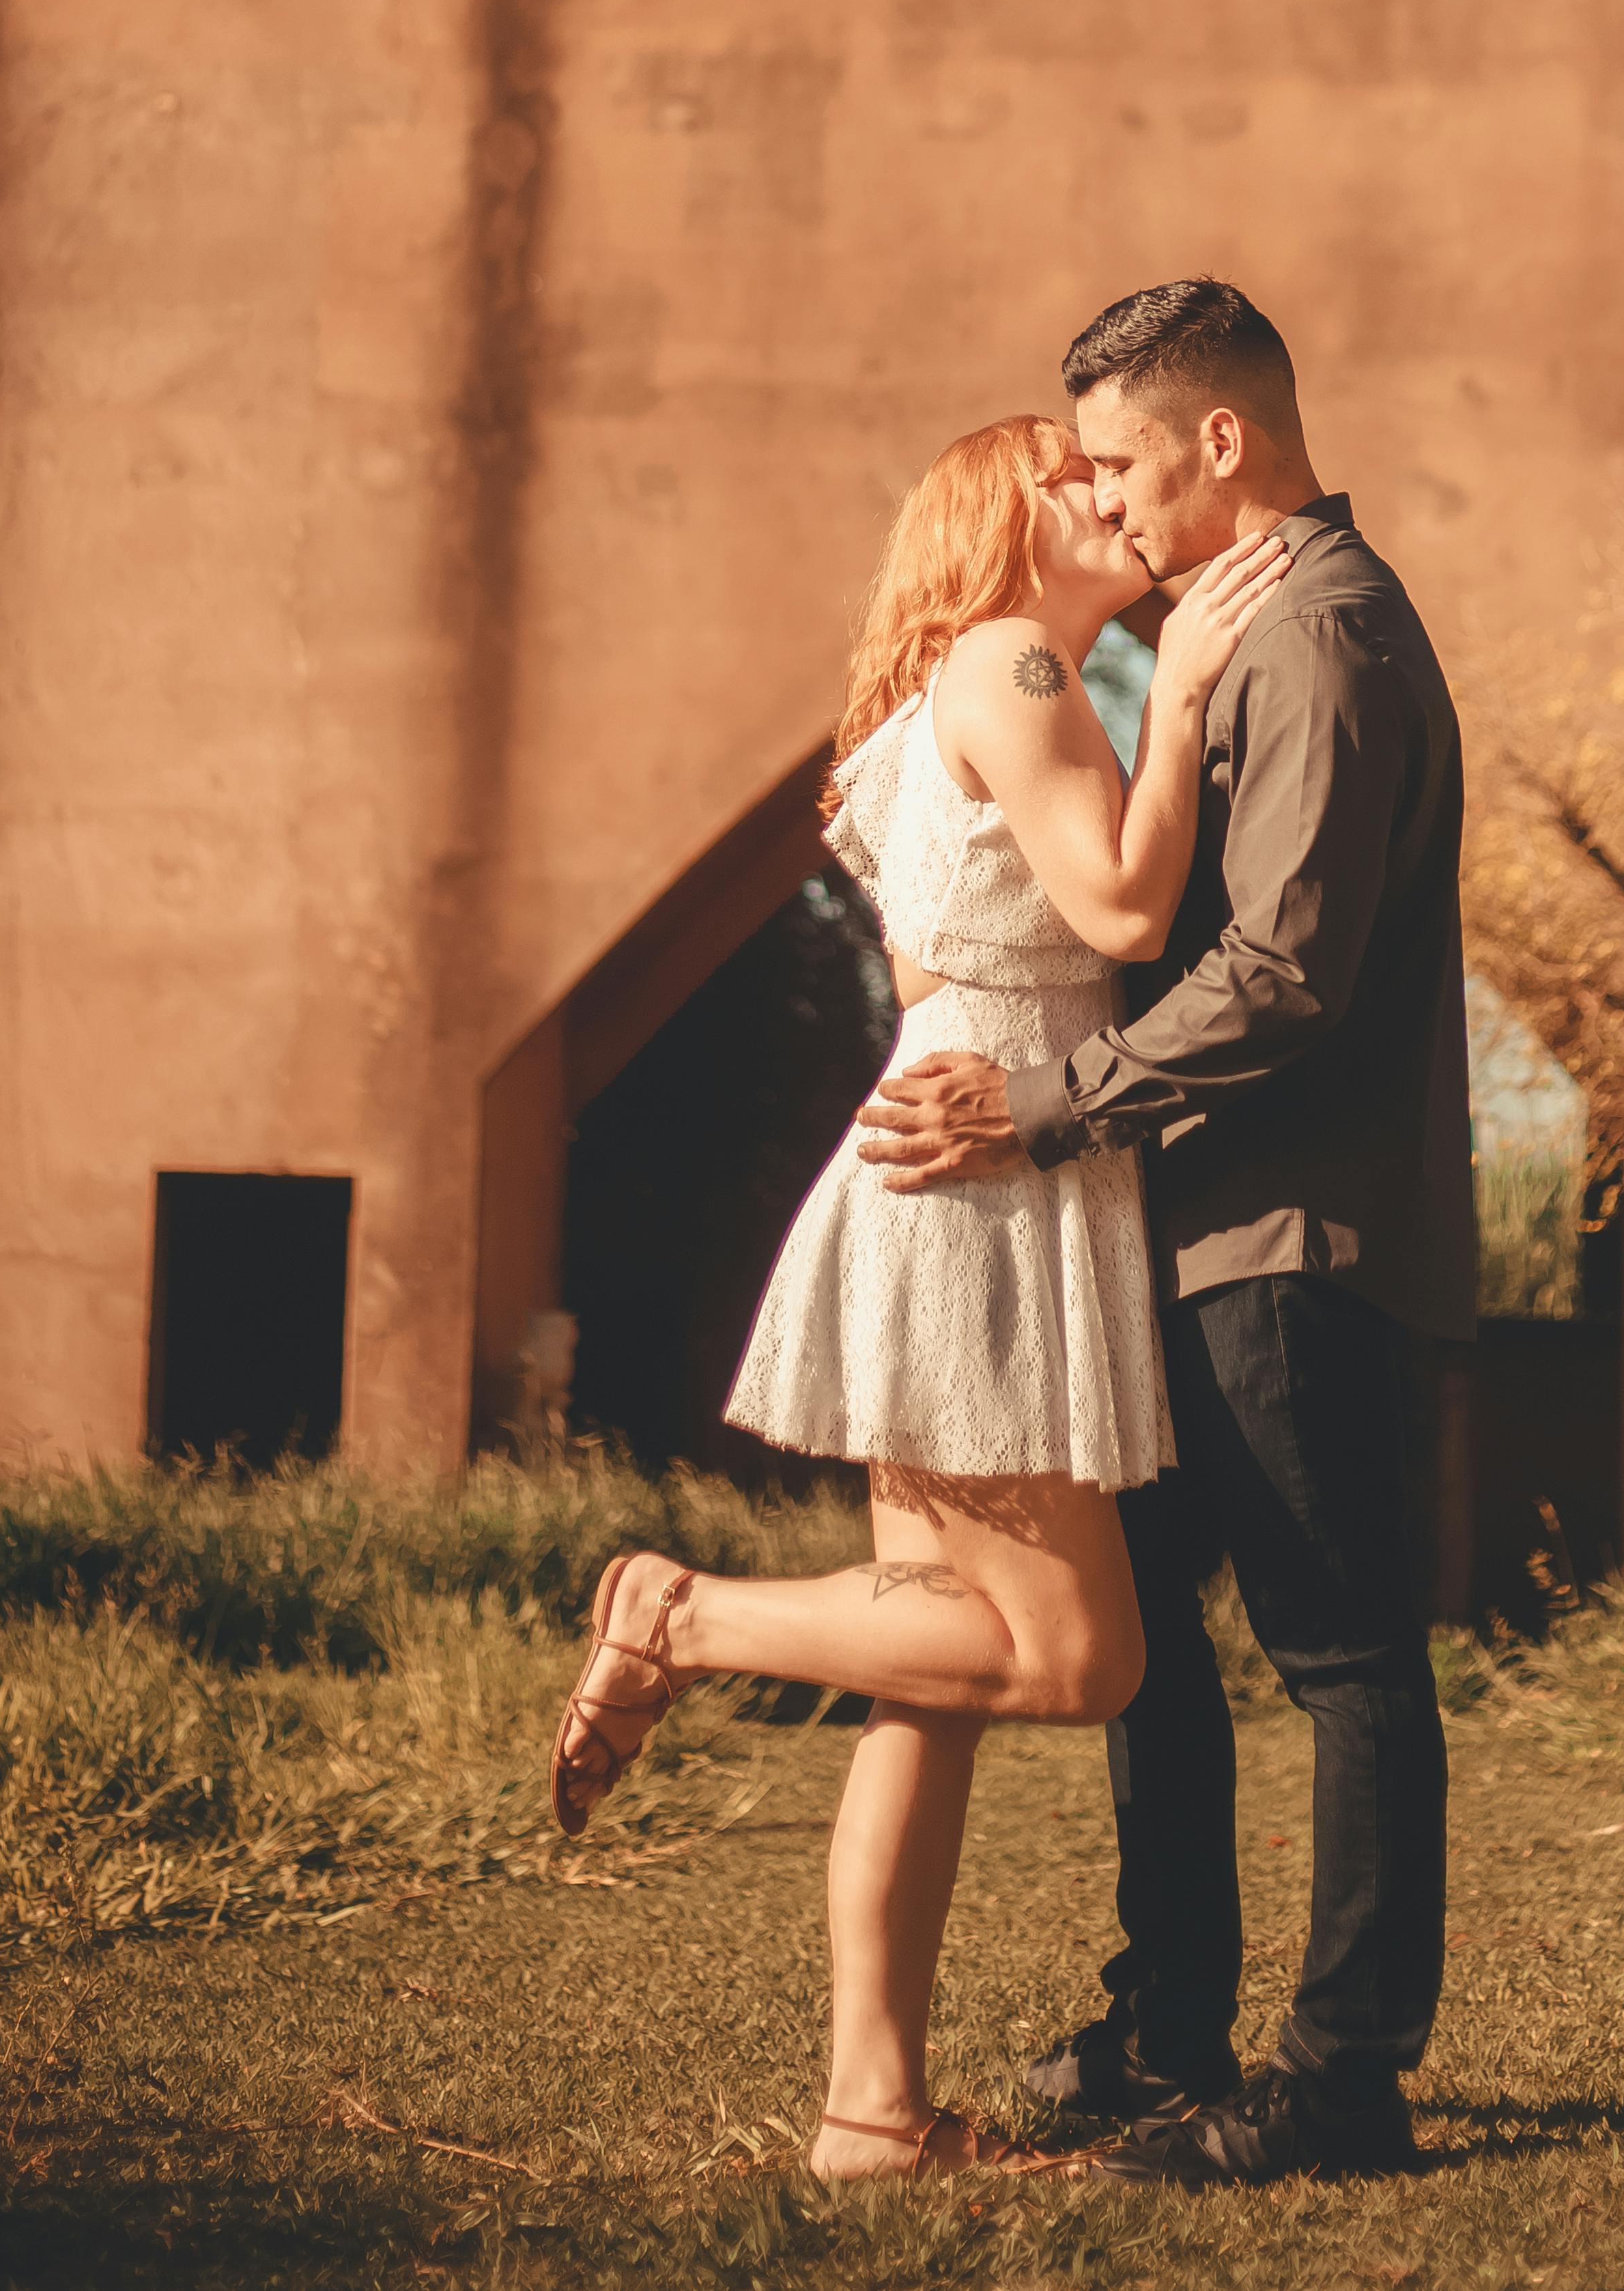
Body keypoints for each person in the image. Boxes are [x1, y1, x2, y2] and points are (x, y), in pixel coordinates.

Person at [545, 412, 1287, 2182]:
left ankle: (868, 2113)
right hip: (987, 1185)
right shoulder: (1020, 654)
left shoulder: (926, 701)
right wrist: (1181, 690)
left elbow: (946, 968)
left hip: (964, 1159)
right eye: (1072, 471)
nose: (1109, 492)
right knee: (1083, 1652)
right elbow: (1115, 909)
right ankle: (682, 1614)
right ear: (997, 516)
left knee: (932, 1681)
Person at [857, 281, 1477, 2189]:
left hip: (1296, 1227)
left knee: (1342, 1650)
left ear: (1222, 439)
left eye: (1122, 460)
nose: (1108, 503)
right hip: (1202, 1218)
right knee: (1155, 1650)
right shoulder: (1245, 627)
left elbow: (1281, 972)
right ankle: (1165, 2028)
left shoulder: (1321, 635)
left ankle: (1338, 2081)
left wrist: (1048, 1108)